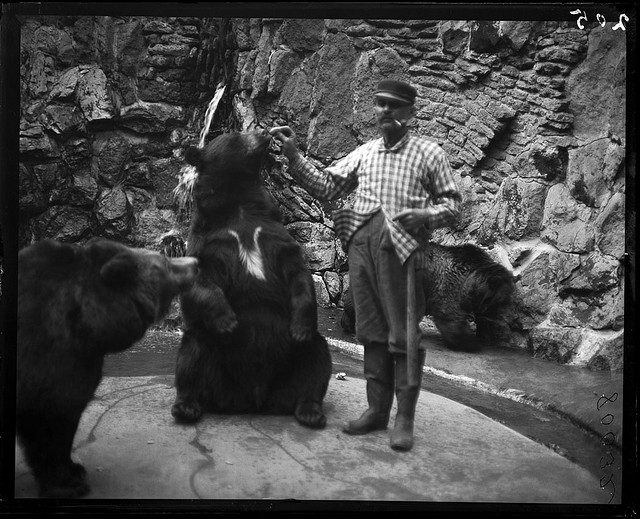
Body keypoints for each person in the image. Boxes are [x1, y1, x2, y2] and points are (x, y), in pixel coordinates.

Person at [270, 79, 461, 451]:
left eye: (393, 105)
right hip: (362, 250)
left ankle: (403, 418)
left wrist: (424, 213)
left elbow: (453, 207)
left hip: (402, 253)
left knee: (403, 337)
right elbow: (327, 187)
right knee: (369, 332)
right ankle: (376, 411)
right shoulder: (366, 152)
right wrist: (294, 156)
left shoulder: (429, 153)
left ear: (411, 111)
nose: (385, 111)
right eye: (379, 105)